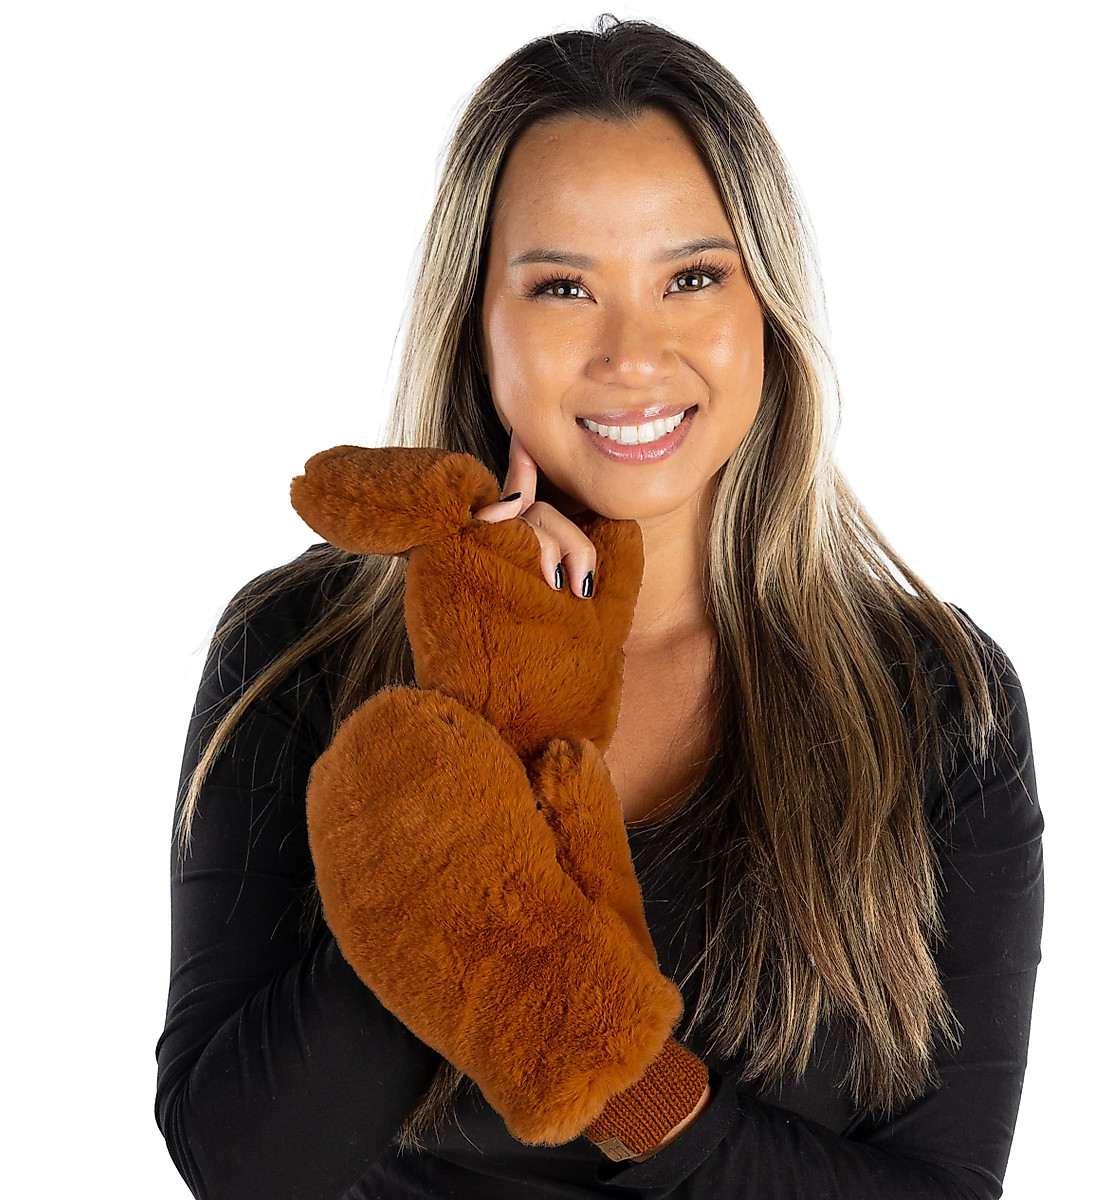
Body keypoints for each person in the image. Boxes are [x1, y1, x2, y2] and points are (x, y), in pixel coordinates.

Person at [155, 15, 1044, 1200]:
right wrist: (481, 736)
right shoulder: (298, 651)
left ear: (767, 312)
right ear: (479, 322)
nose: (633, 354)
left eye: (692, 278)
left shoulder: (933, 701)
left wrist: (633, 1090)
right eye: (563, 286)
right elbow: (240, 1162)